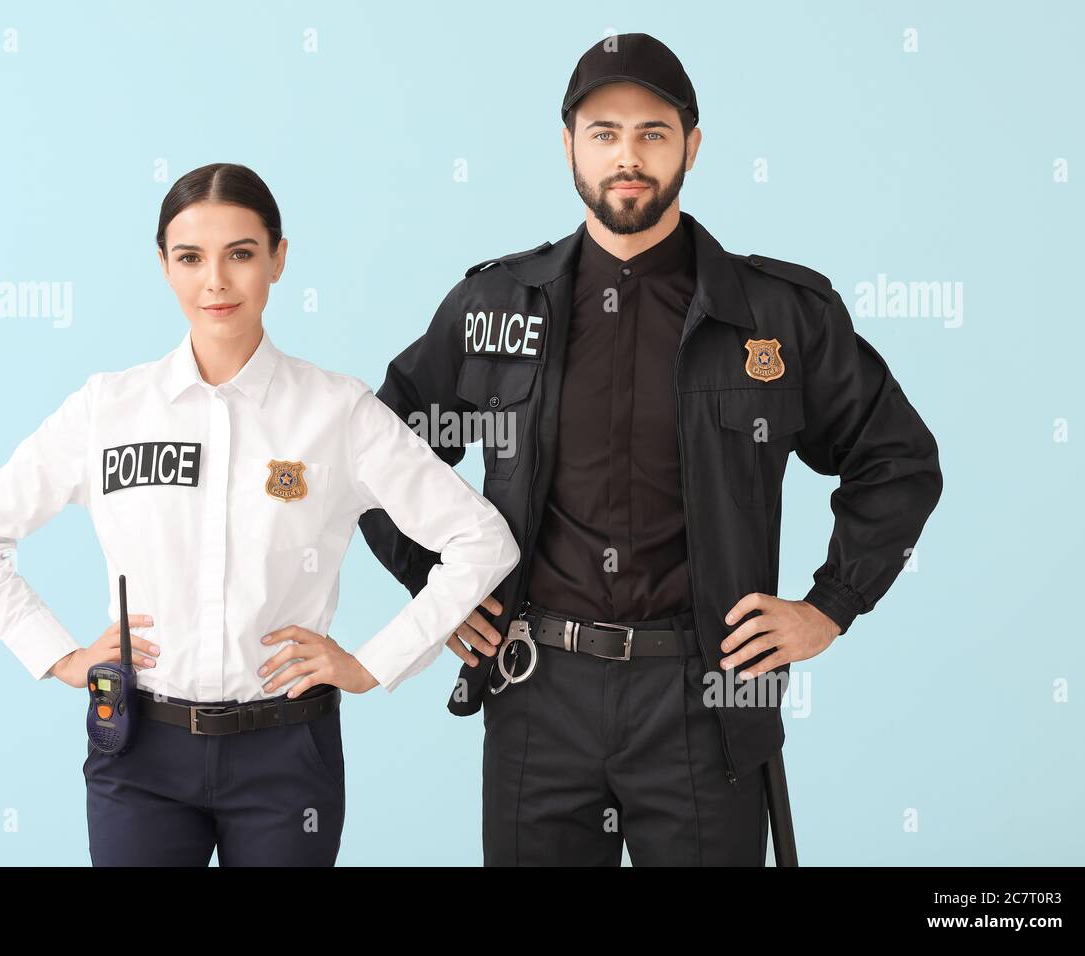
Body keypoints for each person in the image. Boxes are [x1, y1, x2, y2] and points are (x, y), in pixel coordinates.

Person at [358, 34, 944, 865]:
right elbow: (376, 452)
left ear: (691, 147)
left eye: (652, 133)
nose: (626, 157)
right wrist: (435, 586)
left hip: (705, 699)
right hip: (536, 694)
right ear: (569, 146)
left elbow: (898, 459)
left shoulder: (776, 315)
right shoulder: (495, 306)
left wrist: (830, 607)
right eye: (604, 133)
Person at [0, 162, 520, 866]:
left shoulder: (337, 412)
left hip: (287, 754)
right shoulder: (108, 409)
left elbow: (482, 540)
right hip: (138, 752)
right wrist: (59, 656)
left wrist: (374, 664)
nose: (215, 281)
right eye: (190, 258)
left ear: (278, 258)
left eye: (240, 253)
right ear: (163, 266)